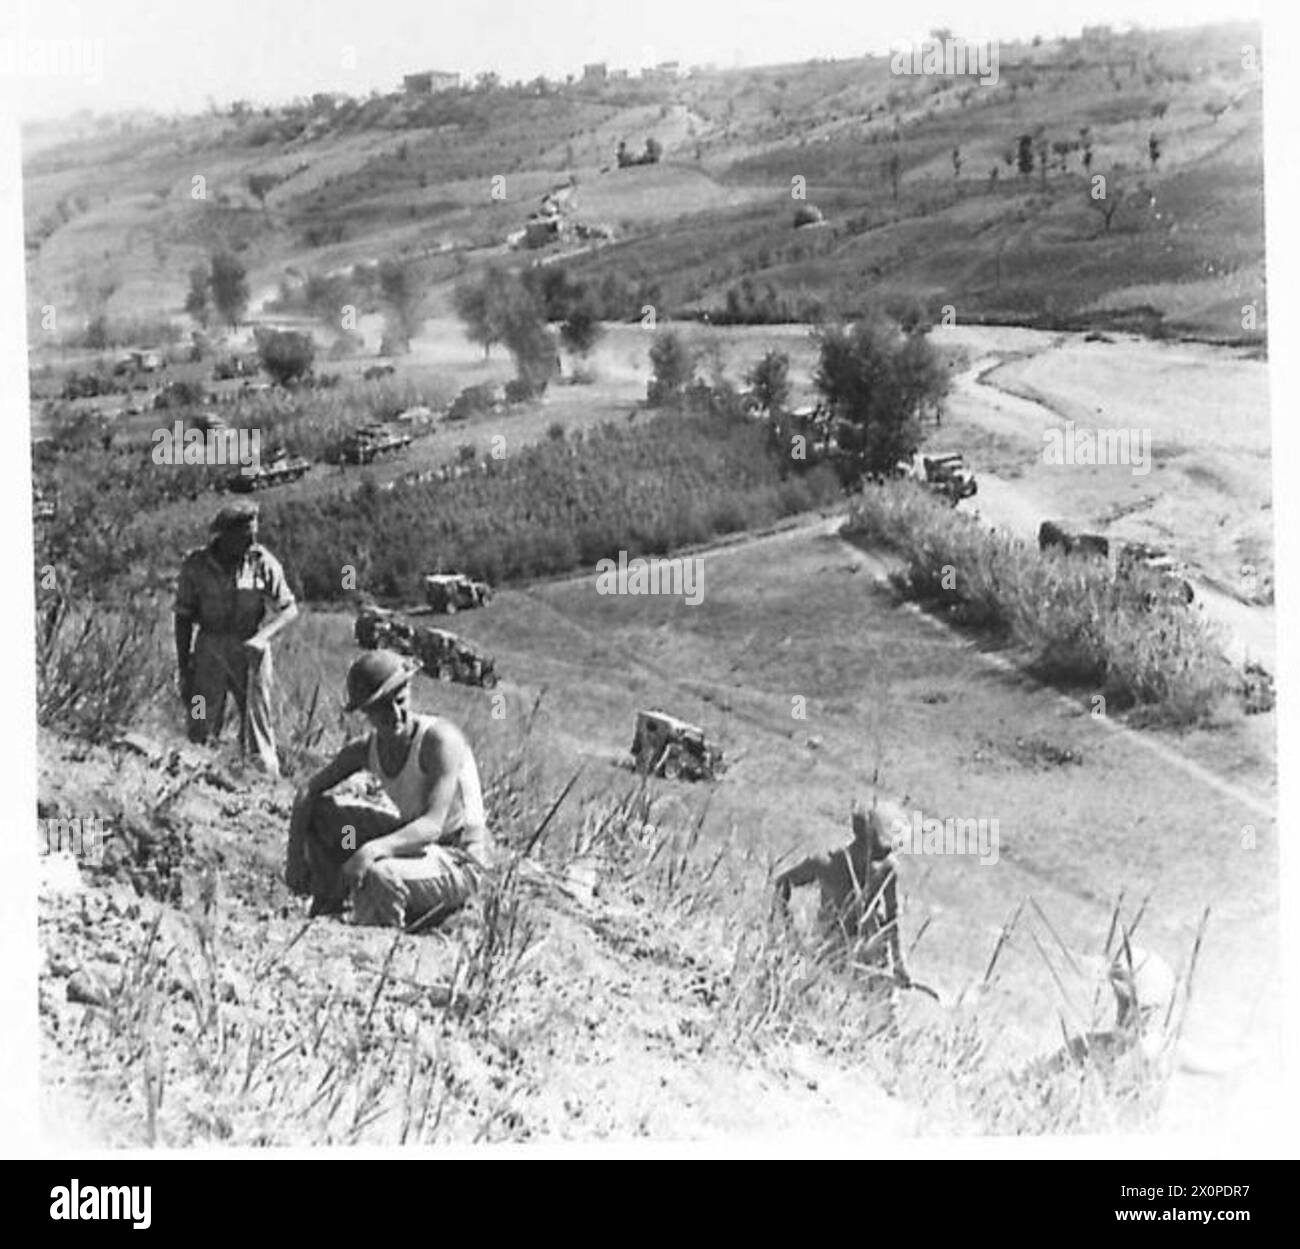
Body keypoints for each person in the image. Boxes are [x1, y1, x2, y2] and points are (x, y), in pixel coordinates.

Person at [285, 650, 494, 929]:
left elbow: (432, 825)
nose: (395, 715)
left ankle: (383, 935)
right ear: (366, 712)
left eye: (400, 701)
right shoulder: (367, 750)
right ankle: (329, 899)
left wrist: (369, 851)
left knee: (379, 875)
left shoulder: (439, 742)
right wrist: (295, 858)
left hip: (460, 859)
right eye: (382, 708)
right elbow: (307, 793)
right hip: (415, 845)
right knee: (324, 818)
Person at [173, 501, 298, 777]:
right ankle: (197, 776)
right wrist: (185, 666)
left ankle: (261, 779)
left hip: (250, 650)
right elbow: (182, 616)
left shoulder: (262, 562)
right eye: (244, 536)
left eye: (254, 534)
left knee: (258, 722)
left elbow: (289, 609)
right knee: (200, 719)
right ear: (224, 535)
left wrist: (264, 637)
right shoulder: (196, 566)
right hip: (209, 649)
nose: (251, 542)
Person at [774, 799, 911, 987]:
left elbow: (891, 921)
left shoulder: (884, 869)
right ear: (867, 838)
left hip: (865, 959)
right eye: (883, 847)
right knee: (797, 983)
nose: (888, 852)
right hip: (831, 953)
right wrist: (791, 938)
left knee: (883, 1012)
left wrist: (898, 964)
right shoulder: (826, 865)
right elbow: (781, 886)